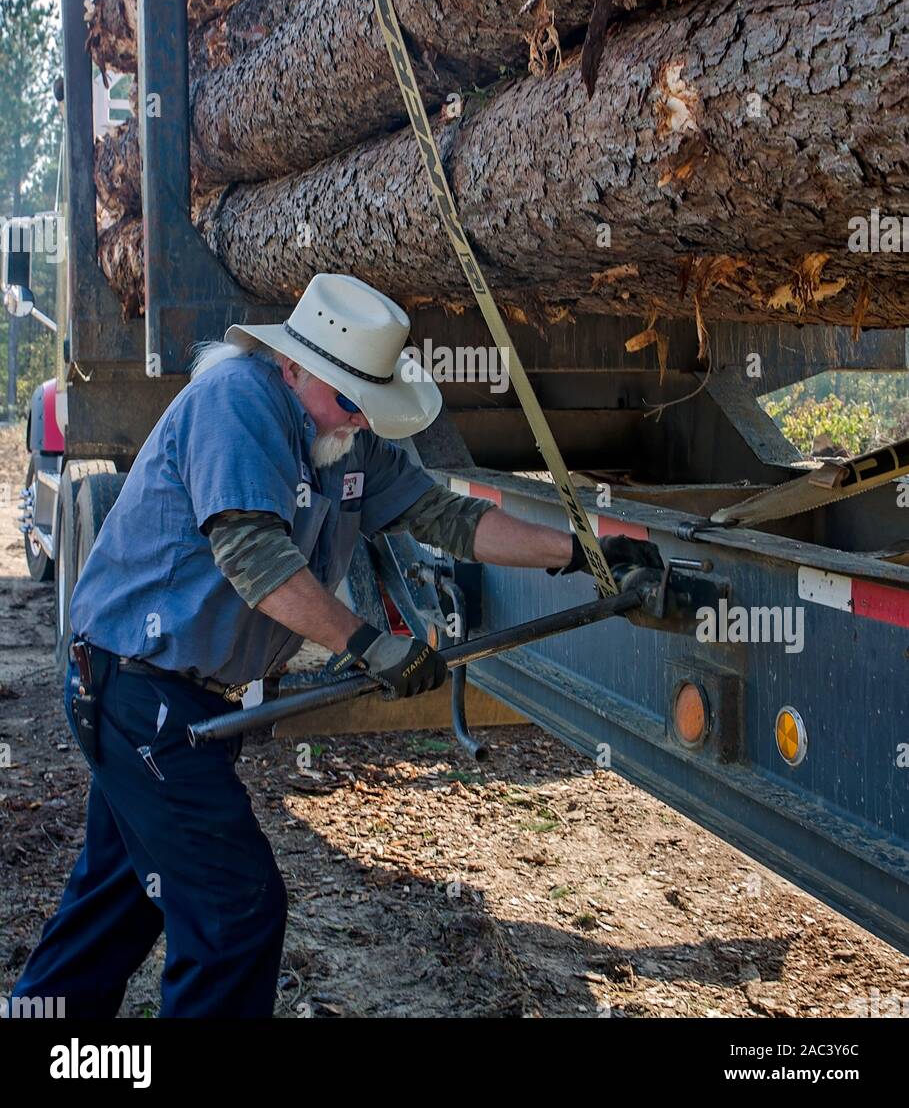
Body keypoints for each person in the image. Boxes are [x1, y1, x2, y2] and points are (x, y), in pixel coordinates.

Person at [9, 273, 660, 1018]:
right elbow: (254, 557)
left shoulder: (343, 441)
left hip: (181, 695)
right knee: (235, 909)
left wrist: (579, 553)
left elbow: (444, 517)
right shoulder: (238, 403)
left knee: (119, 895)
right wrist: (368, 645)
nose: (358, 418)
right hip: (138, 688)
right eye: (348, 399)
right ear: (292, 366)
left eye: (368, 402)